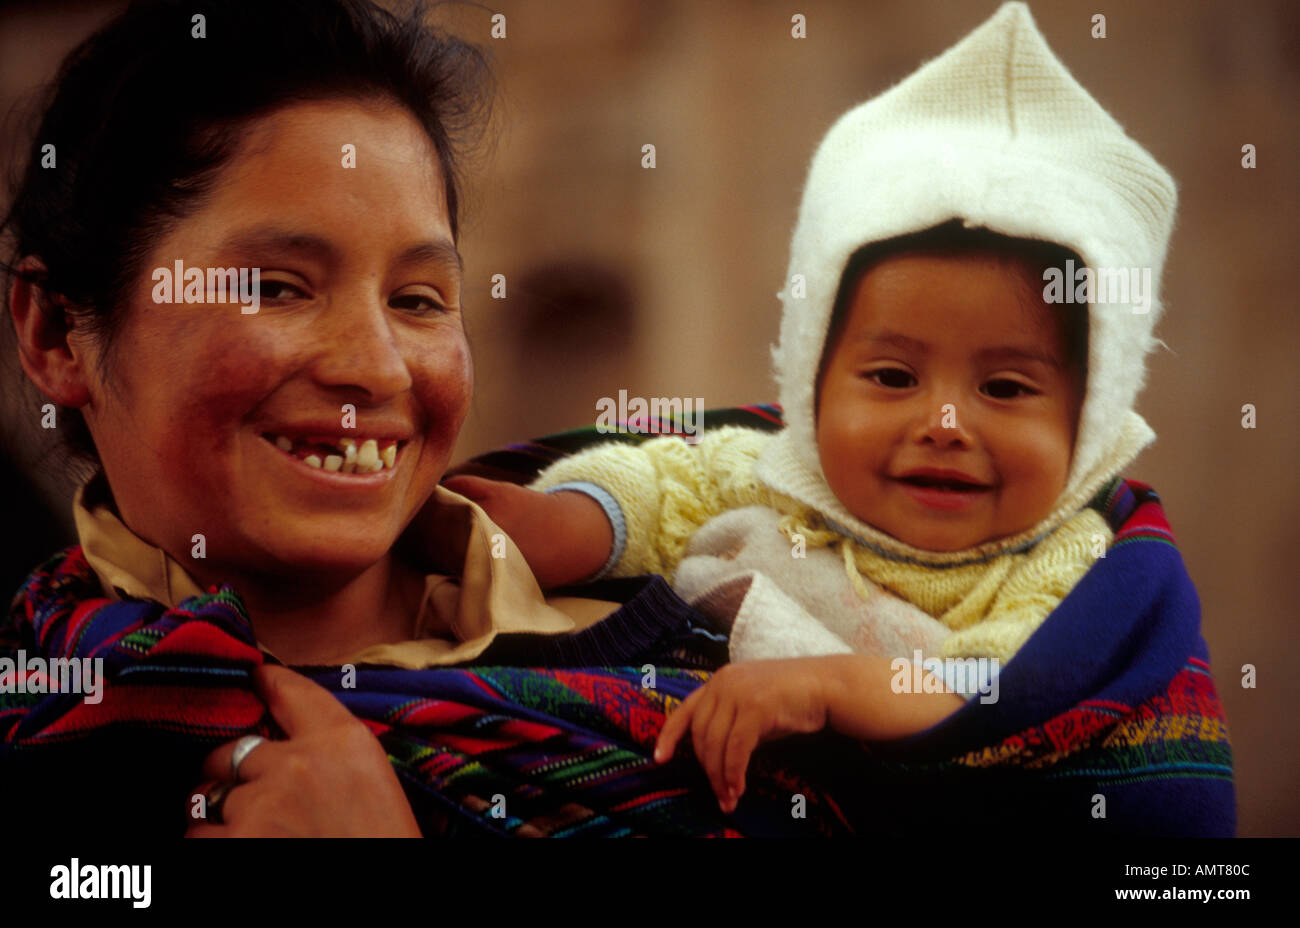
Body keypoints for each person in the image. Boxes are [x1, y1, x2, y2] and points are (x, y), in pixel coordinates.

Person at [440, 1, 1235, 819]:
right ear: (814, 382)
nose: (945, 424)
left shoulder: (1066, 566)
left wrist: (825, 685)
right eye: (893, 377)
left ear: (1089, 423)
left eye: (1004, 389)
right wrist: (557, 526)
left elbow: (991, 693)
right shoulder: (772, 472)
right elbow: (660, 488)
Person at [1, 0, 702, 837]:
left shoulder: (707, 658)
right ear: (55, 334)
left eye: (418, 300)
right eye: (275, 288)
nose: (374, 366)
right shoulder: (44, 729)